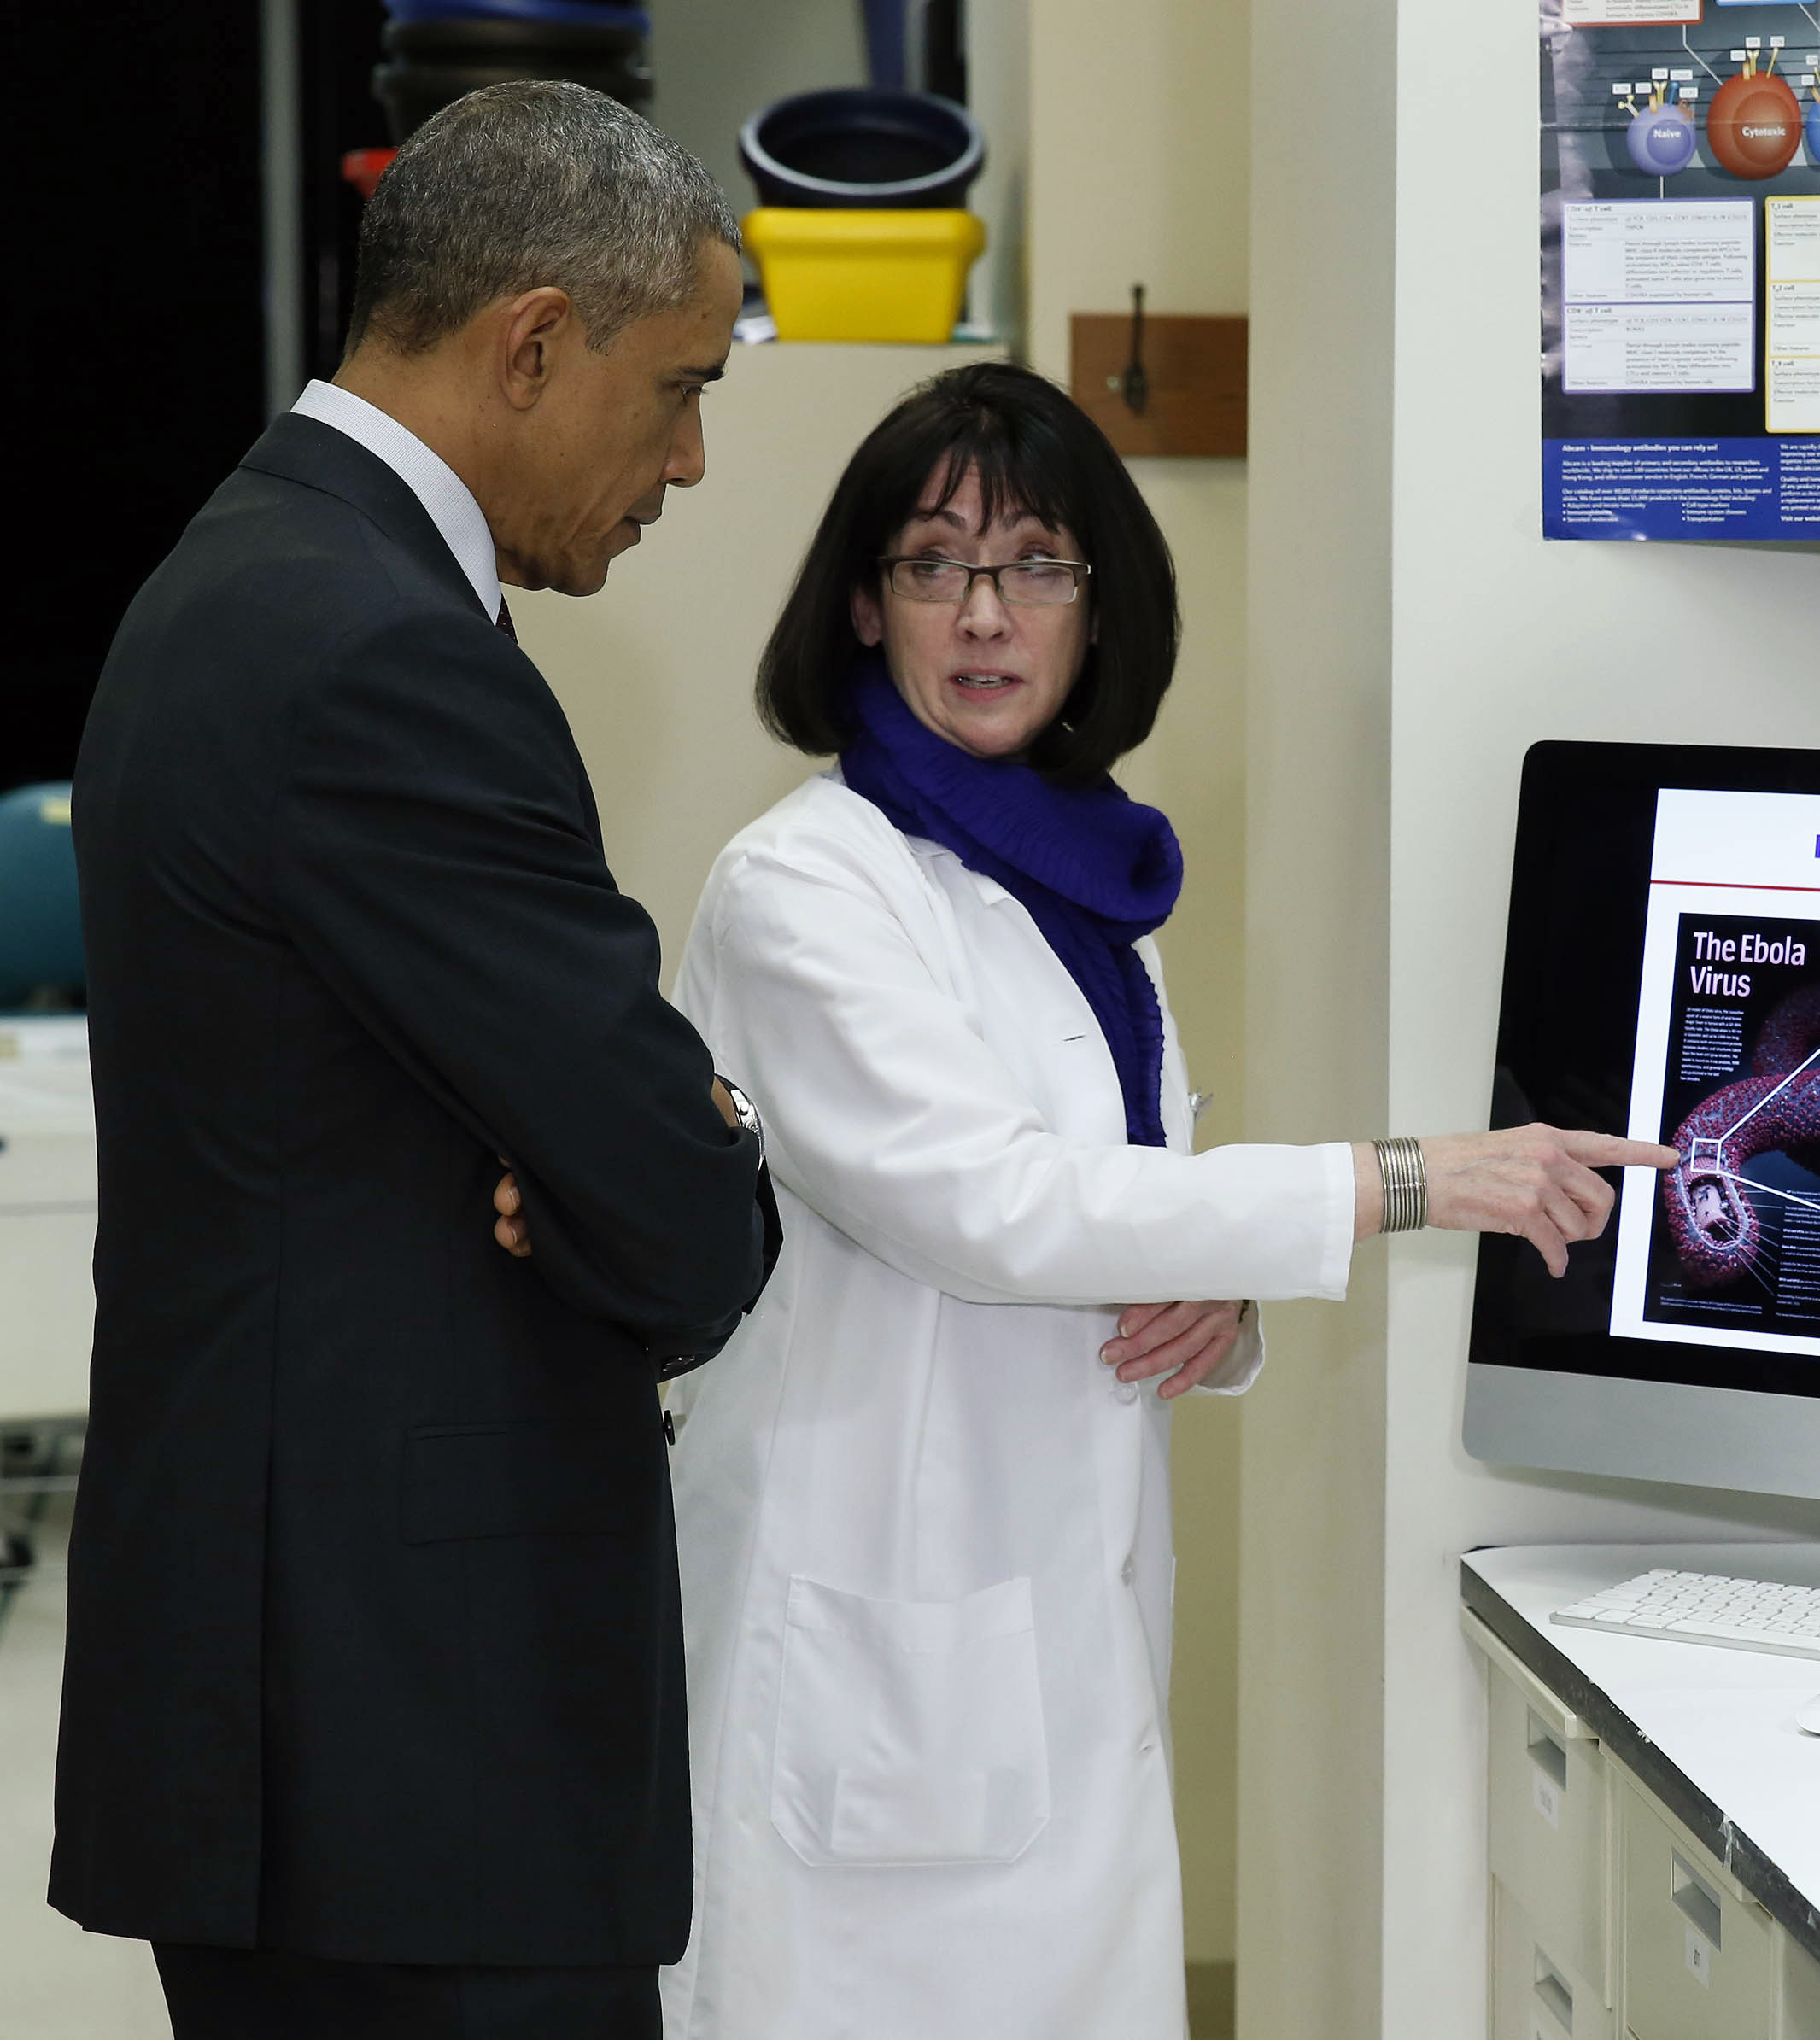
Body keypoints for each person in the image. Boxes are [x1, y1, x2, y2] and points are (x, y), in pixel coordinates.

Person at [663, 362, 1671, 2038]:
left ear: (1099, 602)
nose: (986, 615)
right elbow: (989, 1204)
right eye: (935, 564)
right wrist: (1404, 1180)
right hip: (874, 1675)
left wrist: (1217, 1287)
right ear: (863, 602)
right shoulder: (803, 887)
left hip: (1049, 1649)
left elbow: (1109, 1192)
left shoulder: (1079, 887)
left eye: (1036, 564)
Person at [56, 84, 775, 2040]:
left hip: (306, 1716)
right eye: (678, 388)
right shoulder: (378, 649)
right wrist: (699, 1138)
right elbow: (682, 1205)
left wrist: (617, 1146)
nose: (691, 459)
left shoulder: (246, 571)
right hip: (407, 1744)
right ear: (533, 342)